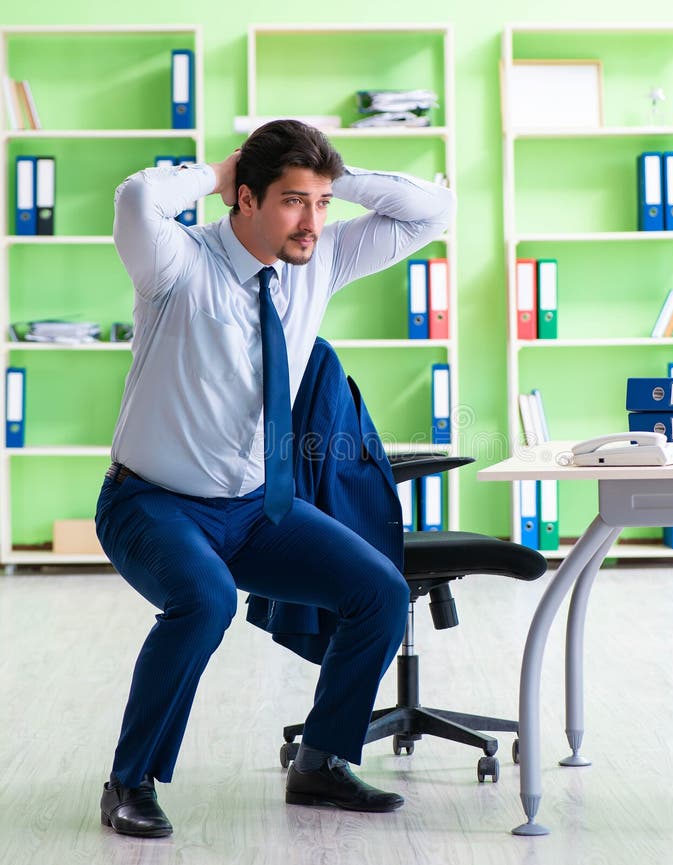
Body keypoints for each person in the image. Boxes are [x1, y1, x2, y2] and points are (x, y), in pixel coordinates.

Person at [96, 119, 455, 838]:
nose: (313, 222)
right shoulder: (177, 262)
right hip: (153, 503)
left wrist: (329, 177)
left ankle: (319, 761)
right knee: (204, 599)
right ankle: (129, 781)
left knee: (379, 589)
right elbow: (137, 199)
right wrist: (220, 167)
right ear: (246, 198)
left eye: (322, 204)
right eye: (294, 201)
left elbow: (435, 210)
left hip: (260, 509)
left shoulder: (317, 259)